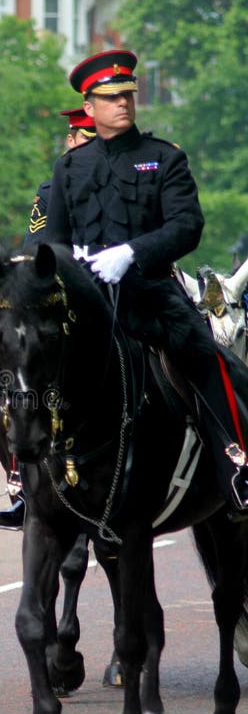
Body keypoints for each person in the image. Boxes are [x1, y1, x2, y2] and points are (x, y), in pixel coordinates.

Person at [44, 49, 248, 518]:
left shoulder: (163, 158)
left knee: (205, 359)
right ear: (89, 107)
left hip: (151, 295)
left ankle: (235, 463)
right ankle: (24, 482)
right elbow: (54, 242)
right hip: (88, 302)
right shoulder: (68, 168)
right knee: (25, 361)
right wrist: (69, 260)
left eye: (128, 96)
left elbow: (186, 226)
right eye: (111, 98)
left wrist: (131, 253)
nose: (123, 104)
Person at [0, 109, 96, 530]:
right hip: (63, 289)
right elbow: (40, 244)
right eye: (79, 139)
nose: (83, 146)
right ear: (70, 142)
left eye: (91, 139)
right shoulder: (50, 188)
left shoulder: (122, 172)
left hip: (113, 282)